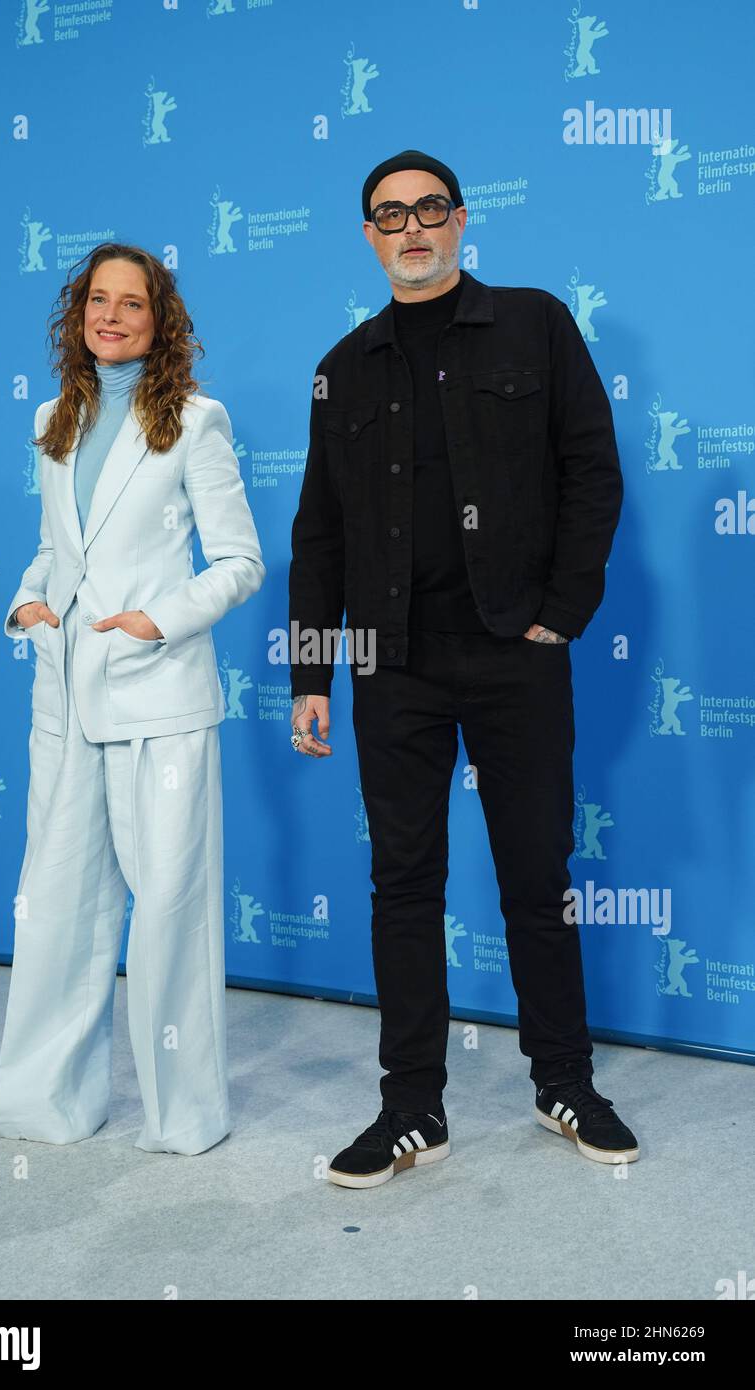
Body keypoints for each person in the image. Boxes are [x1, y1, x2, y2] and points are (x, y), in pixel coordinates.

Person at [288, 150, 637, 1188]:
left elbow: (591, 467)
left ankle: (562, 1080)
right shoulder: (342, 366)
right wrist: (312, 670)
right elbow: (318, 532)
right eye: (387, 214)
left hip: (511, 654)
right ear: (366, 235)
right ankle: (411, 1106)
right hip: (387, 663)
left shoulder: (531, 321)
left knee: (535, 877)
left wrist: (560, 613)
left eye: (427, 209)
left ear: (459, 219)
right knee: (402, 884)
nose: (410, 227)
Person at [0, 243, 264, 1155]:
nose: (110, 317)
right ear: (78, 315)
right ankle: (45, 1104)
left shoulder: (194, 420)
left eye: (130, 304)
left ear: (160, 319)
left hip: (160, 701)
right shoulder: (52, 418)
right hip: (64, 700)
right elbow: (57, 549)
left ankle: (185, 1116)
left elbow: (239, 564)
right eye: (96, 301)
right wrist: (28, 602)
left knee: (171, 911)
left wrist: (156, 622)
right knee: (57, 905)